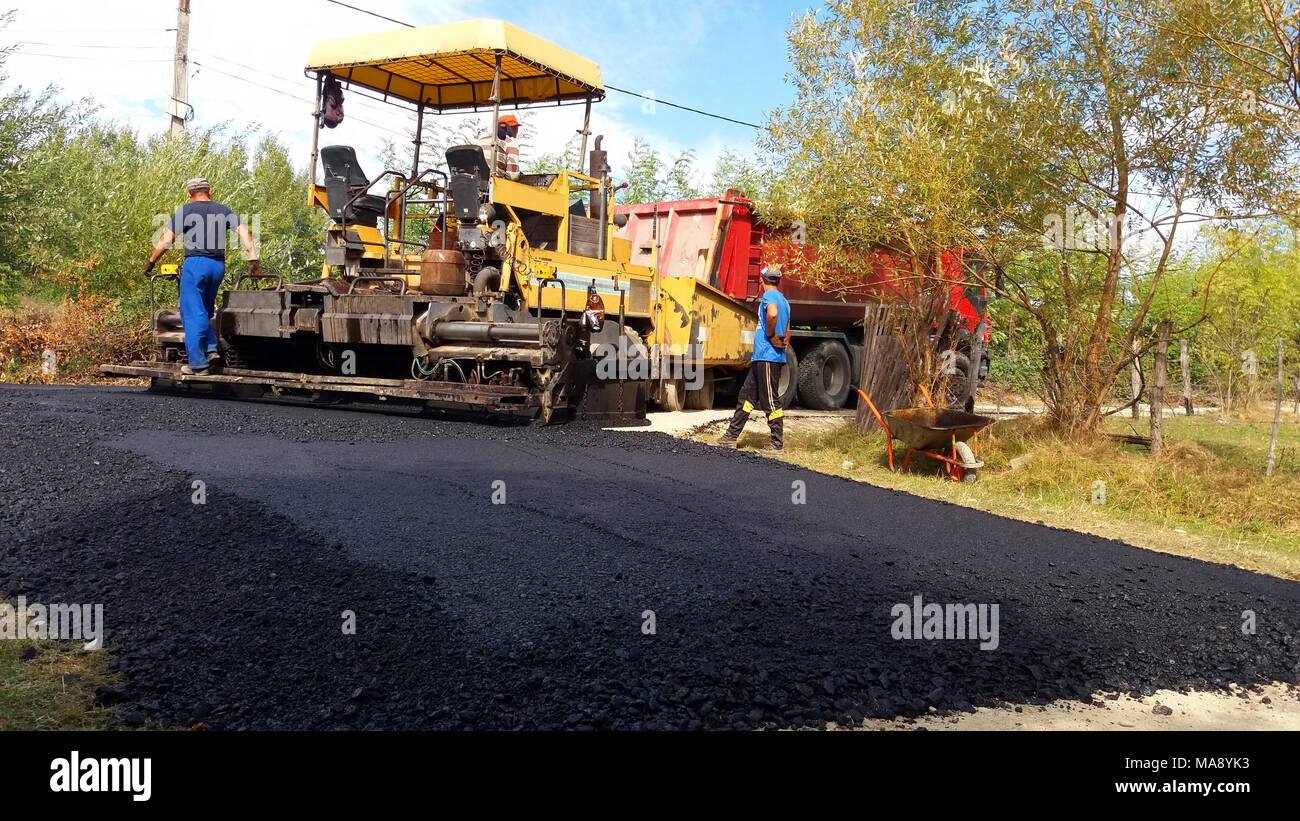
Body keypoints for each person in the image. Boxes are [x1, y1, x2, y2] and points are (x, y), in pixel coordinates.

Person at [144, 178, 260, 374]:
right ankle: (211, 349)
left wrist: (152, 261)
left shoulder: (186, 211)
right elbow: (244, 232)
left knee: (191, 313)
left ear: (189, 194)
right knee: (205, 309)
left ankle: (197, 364)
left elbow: (167, 239)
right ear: (209, 191)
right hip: (217, 266)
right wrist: (253, 259)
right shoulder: (223, 210)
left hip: (196, 265)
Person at [718, 265, 792, 451]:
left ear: (762, 280)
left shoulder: (770, 297)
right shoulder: (784, 300)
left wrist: (770, 334)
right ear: (778, 280)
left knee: (769, 400)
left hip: (768, 356)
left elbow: (772, 313)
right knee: (747, 397)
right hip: (764, 356)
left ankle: (777, 444)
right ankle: (731, 436)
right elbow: (788, 328)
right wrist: (783, 343)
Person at [477, 114, 521, 181]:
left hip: (475, 184)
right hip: (494, 185)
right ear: (512, 128)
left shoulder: (481, 141)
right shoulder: (511, 143)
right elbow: (513, 176)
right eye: (516, 128)